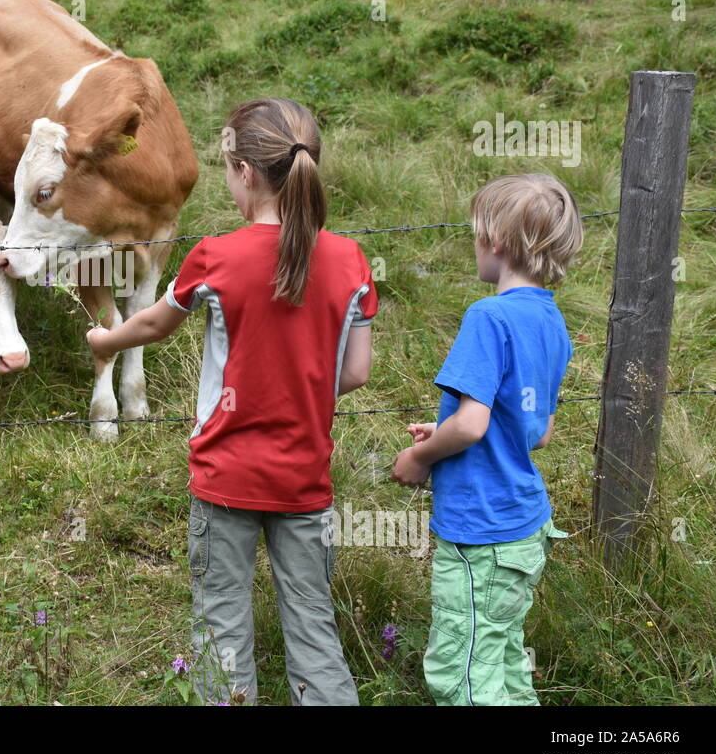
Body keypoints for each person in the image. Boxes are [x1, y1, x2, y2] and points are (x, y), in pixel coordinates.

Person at [87, 97, 375, 705]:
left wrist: (104, 338)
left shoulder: (215, 256)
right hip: (304, 478)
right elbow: (355, 373)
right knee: (312, 623)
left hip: (226, 476)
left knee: (220, 624)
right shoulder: (350, 259)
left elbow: (152, 327)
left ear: (245, 172)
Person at [392, 173, 583, 706]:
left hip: (483, 532)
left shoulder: (488, 316)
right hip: (525, 529)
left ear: (496, 241)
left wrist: (420, 455)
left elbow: (472, 426)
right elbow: (536, 431)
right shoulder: (552, 321)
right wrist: (446, 430)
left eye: (476, 234)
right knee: (502, 659)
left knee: (463, 676)